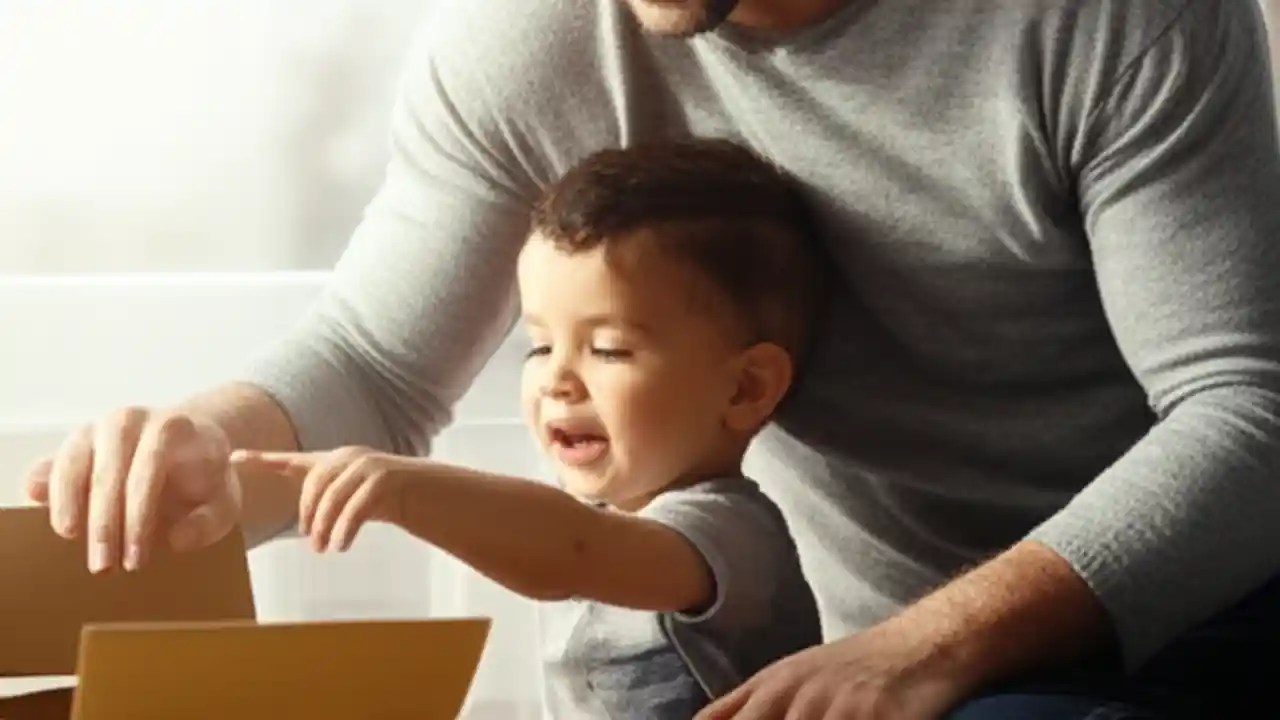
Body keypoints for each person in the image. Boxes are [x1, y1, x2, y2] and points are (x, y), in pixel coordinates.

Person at [21, 0, 1280, 717]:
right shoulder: (537, 41)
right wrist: (207, 442)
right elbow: (374, 354)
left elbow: (1245, 412)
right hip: (841, 668)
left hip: (1161, 634)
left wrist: (925, 646)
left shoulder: (1109, 20)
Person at [230, 139, 824, 718]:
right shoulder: (596, 519)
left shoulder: (731, 534)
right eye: (539, 346)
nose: (557, 380)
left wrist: (405, 489)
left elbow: (574, 550)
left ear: (745, 388)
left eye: (609, 350)